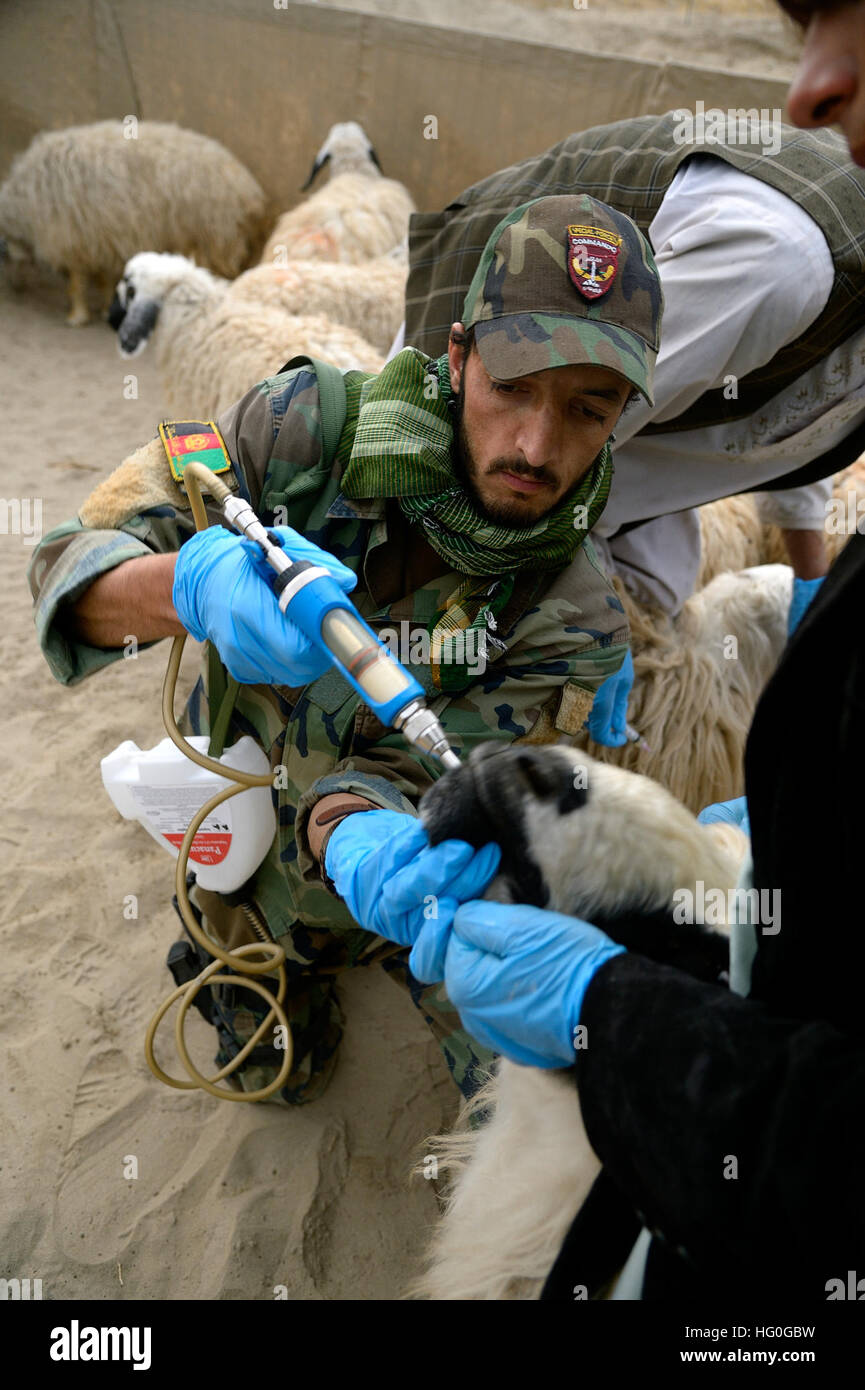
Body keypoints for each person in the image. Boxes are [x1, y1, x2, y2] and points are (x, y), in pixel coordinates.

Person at [324, 12, 865, 1299]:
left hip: (623, 477)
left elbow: (799, 450)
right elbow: (545, 422)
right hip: (534, 455)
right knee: (449, 729)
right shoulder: (773, 262)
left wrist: (797, 616)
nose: (806, 87)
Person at [27, 193, 663, 1105]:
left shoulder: (575, 618)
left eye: (586, 409)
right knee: (279, 1075)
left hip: (396, 880)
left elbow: (435, 785)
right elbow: (65, 562)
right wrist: (186, 588)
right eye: (511, 388)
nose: (534, 443)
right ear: (456, 357)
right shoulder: (300, 431)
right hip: (239, 810)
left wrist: (358, 832)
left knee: (541, 1086)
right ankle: (244, 927)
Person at [396, 111, 865, 629]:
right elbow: (597, 393)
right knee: (435, 563)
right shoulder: (774, 267)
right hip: (496, 326)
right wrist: (572, 602)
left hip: (604, 398)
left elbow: (811, 404)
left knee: (656, 586)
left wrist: (809, 585)